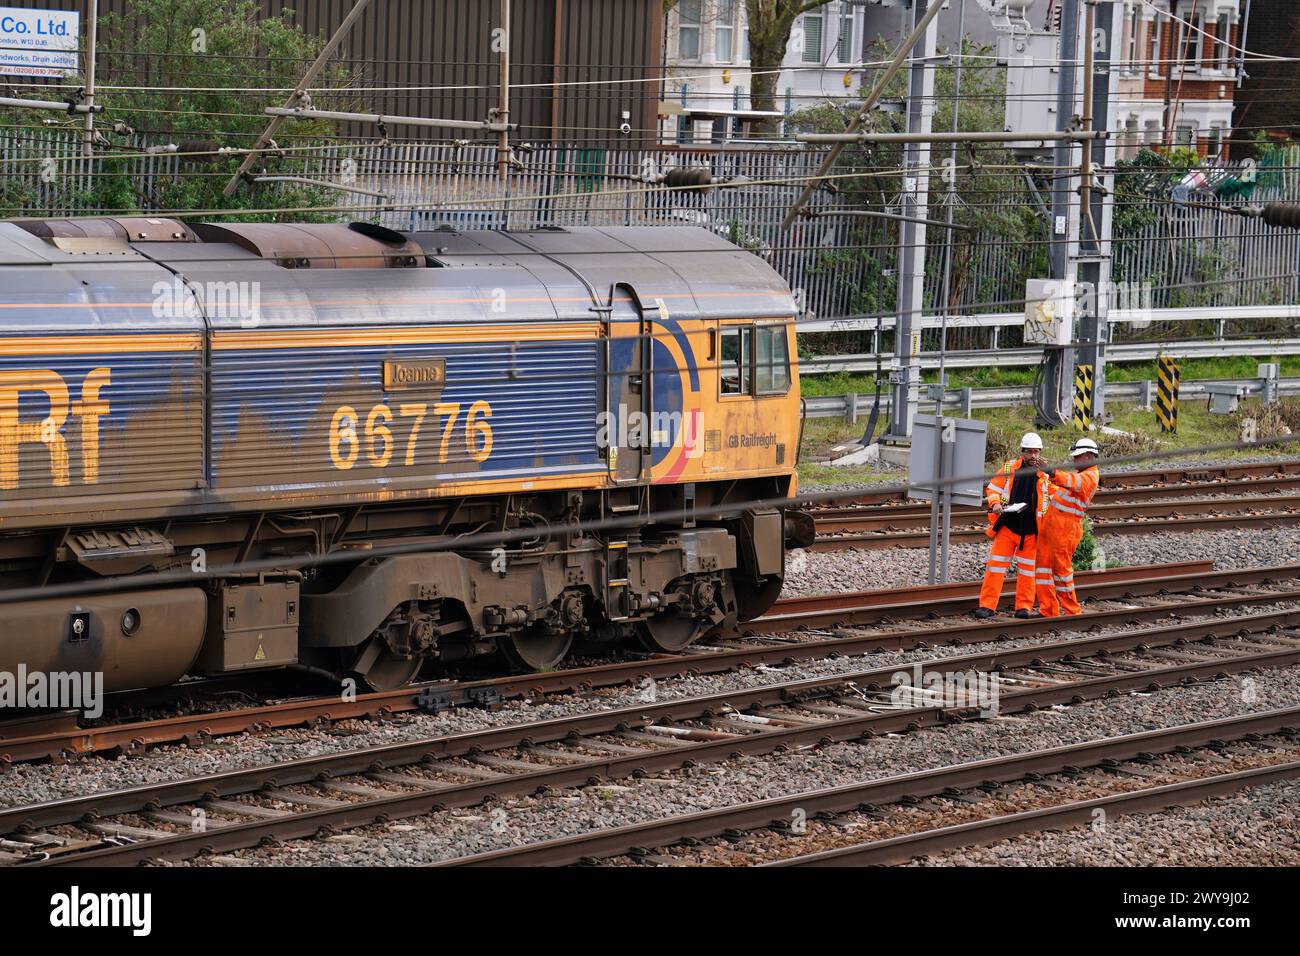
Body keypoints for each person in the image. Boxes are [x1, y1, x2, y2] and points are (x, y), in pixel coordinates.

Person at [975, 433, 1050, 619]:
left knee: (1027, 571)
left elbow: (1053, 497)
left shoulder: (1047, 473)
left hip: (1031, 531)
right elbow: (993, 488)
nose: (1033, 456)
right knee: (995, 567)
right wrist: (995, 504)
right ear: (1023, 452)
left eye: (1036, 452)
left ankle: (1023, 607)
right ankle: (987, 606)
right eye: (1030, 452)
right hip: (1007, 526)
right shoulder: (1009, 467)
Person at [1034, 437, 1101, 617]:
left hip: (1065, 529)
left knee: (1061, 571)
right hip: (1052, 527)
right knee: (1043, 570)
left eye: (1077, 456)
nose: (1074, 459)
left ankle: (1072, 612)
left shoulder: (1090, 476)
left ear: (1088, 456)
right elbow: (1062, 486)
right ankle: (1048, 610)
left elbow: (1069, 480)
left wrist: (1051, 471)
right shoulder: (1081, 474)